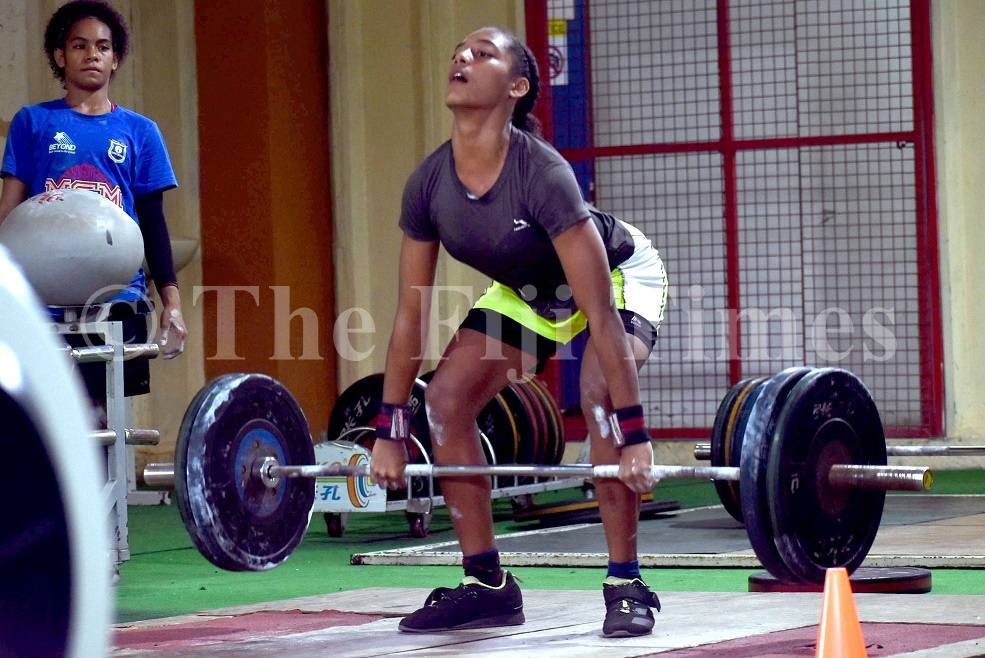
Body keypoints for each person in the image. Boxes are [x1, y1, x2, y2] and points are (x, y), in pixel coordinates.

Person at [370, 26, 669, 637]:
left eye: (484, 54)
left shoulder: (542, 174)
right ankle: (488, 585)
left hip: (614, 277)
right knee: (447, 404)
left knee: (599, 398)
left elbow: (601, 318)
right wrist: (389, 430)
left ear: (517, 86)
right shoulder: (428, 185)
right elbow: (410, 316)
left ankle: (626, 581)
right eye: (459, 51)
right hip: (529, 292)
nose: (462, 57)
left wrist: (634, 436)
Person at [0, 0, 187, 417]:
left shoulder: (141, 131)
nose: (92, 55)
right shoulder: (32, 122)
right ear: (59, 55)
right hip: (43, 300)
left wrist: (171, 302)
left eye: (103, 47)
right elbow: (8, 218)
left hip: (116, 298)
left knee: (105, 425)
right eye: (80, 46)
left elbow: (153, 226)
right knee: (44, 427)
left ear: (115, 59)